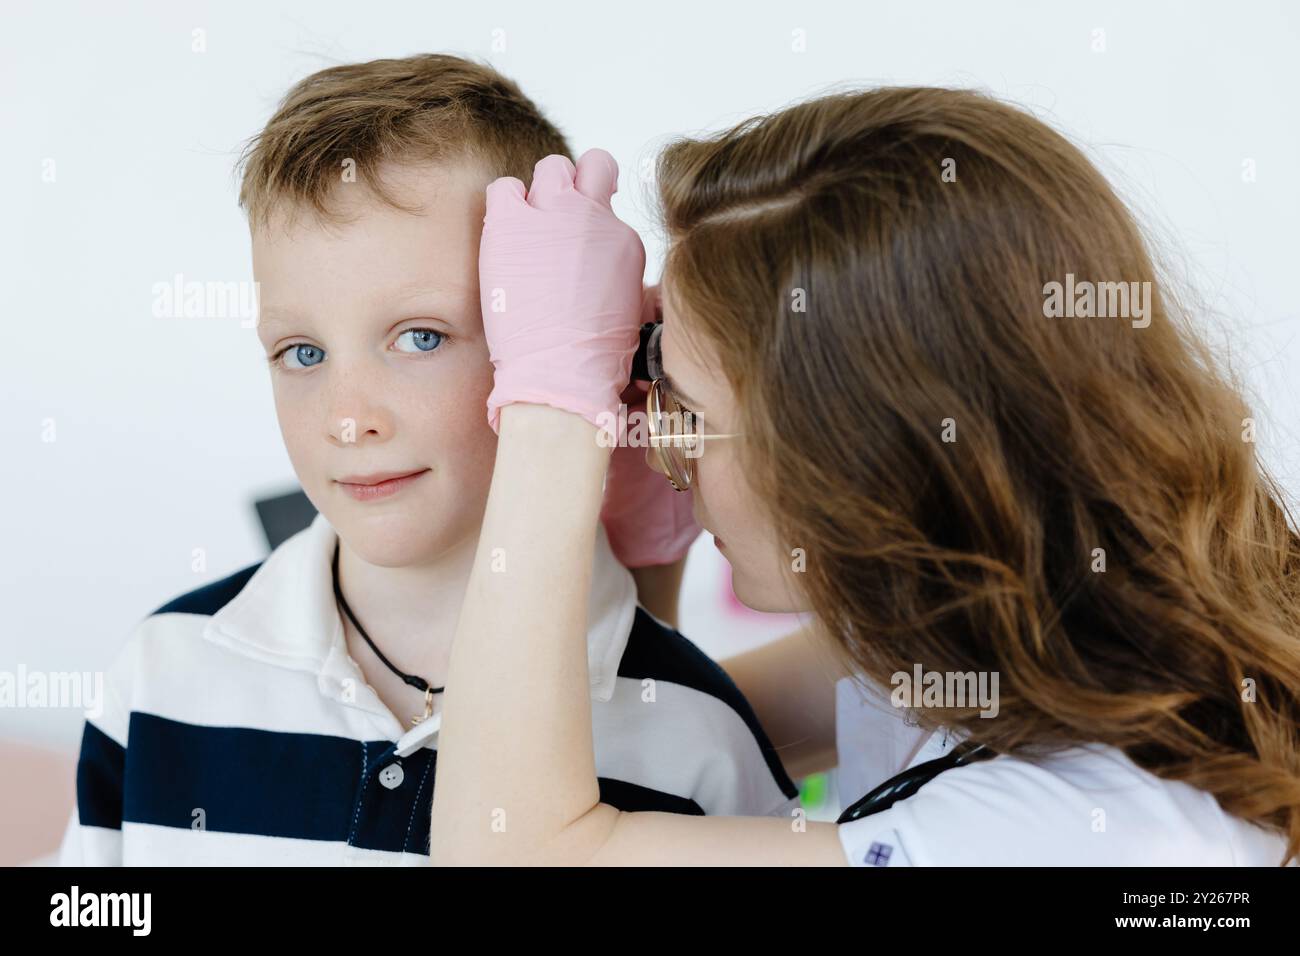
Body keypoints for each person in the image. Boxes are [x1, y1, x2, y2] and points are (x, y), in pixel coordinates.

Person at [429, 88, 1300, 866]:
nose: (664, 443)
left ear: (853, 462)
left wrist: (550, 423)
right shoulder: (982, 623)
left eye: (688, 412)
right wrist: (643, 555)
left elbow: (512, 853)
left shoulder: (1096, 830)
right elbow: (659, 748)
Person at [56, 55, 798, 866]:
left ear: (559, 339)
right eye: (302, 353)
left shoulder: (698, 732)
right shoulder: (163, 674)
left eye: (420, 337)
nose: (348, 419)